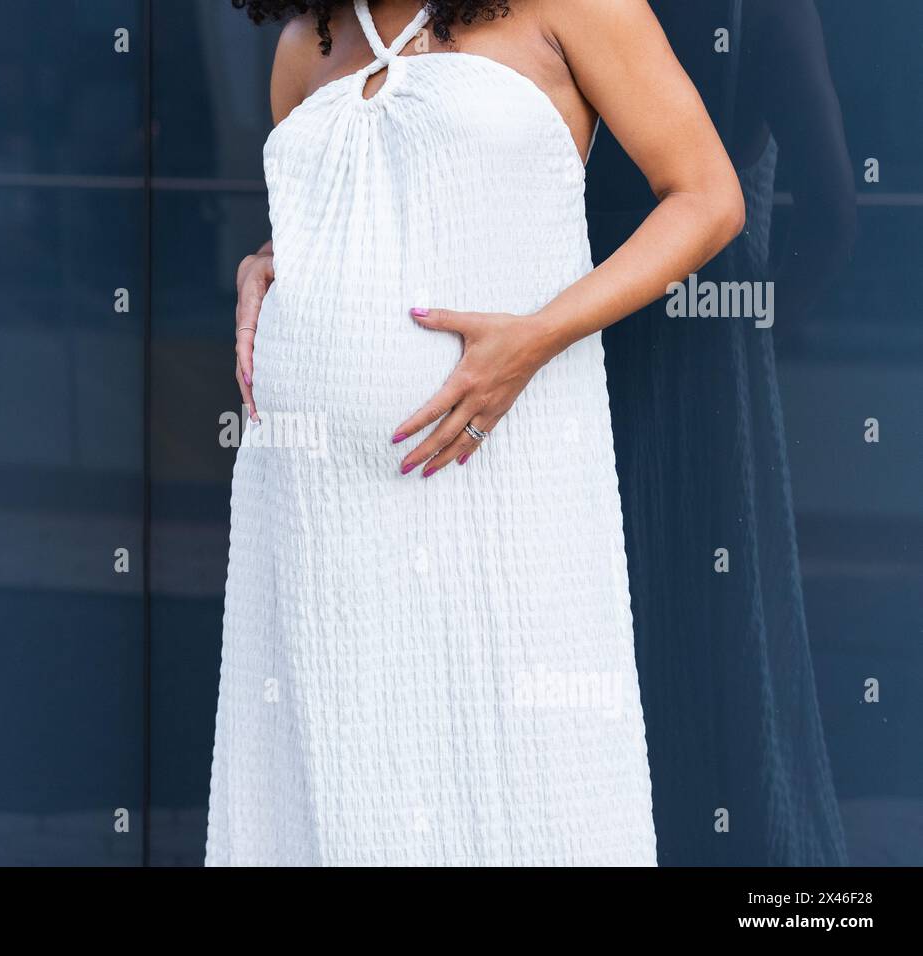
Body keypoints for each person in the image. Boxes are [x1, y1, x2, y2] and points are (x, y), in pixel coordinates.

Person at [208, 0, 743, 865]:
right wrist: (265, 260)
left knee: (514, 760)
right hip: (312, 495)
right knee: (341, 766)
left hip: (497, 467)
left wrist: (535, 338)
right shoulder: (306, 41)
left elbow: (708, 197)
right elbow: (350, 214)